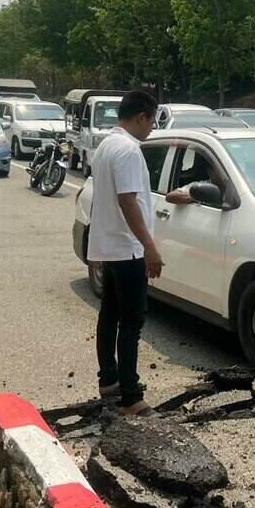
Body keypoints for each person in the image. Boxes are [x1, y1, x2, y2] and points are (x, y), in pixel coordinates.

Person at [86, 90, 164, 416]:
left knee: (110, 316)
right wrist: (149, 245)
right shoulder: (129, 150)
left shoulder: (106, 145)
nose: (152, 129)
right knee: (132, 322)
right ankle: (131, 397)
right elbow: (127, 200)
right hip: (129, 249)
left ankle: (109, 381)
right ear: (141, 117)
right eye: (152, 121)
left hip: (110, 245)